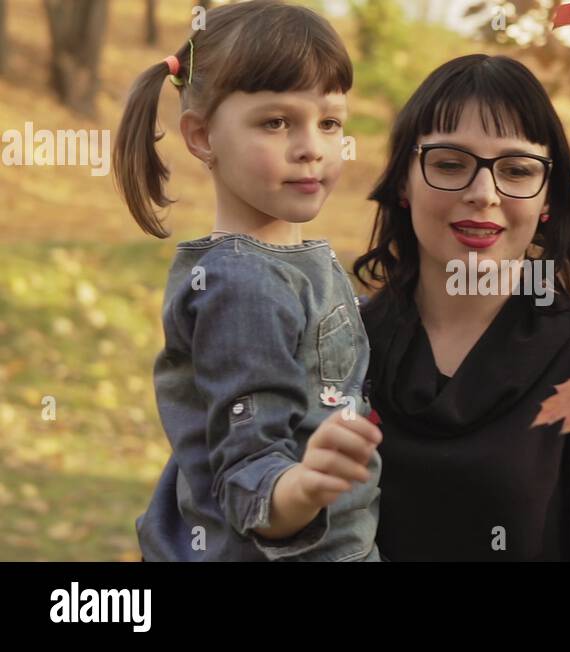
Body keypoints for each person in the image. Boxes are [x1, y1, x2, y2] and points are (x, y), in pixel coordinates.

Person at [355, 54, 570, 561]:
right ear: (402, 182)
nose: (483, 194)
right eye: (449, 164)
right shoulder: (338, 349)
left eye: (517, 170)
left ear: (547, 197)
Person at [114, 0, 381, 561]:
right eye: (276, 122)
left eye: (329, 122)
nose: (312, 146)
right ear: (203, 137)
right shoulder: (243, 284)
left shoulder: (286, 262)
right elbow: (248, 472)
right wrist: (305, 486)